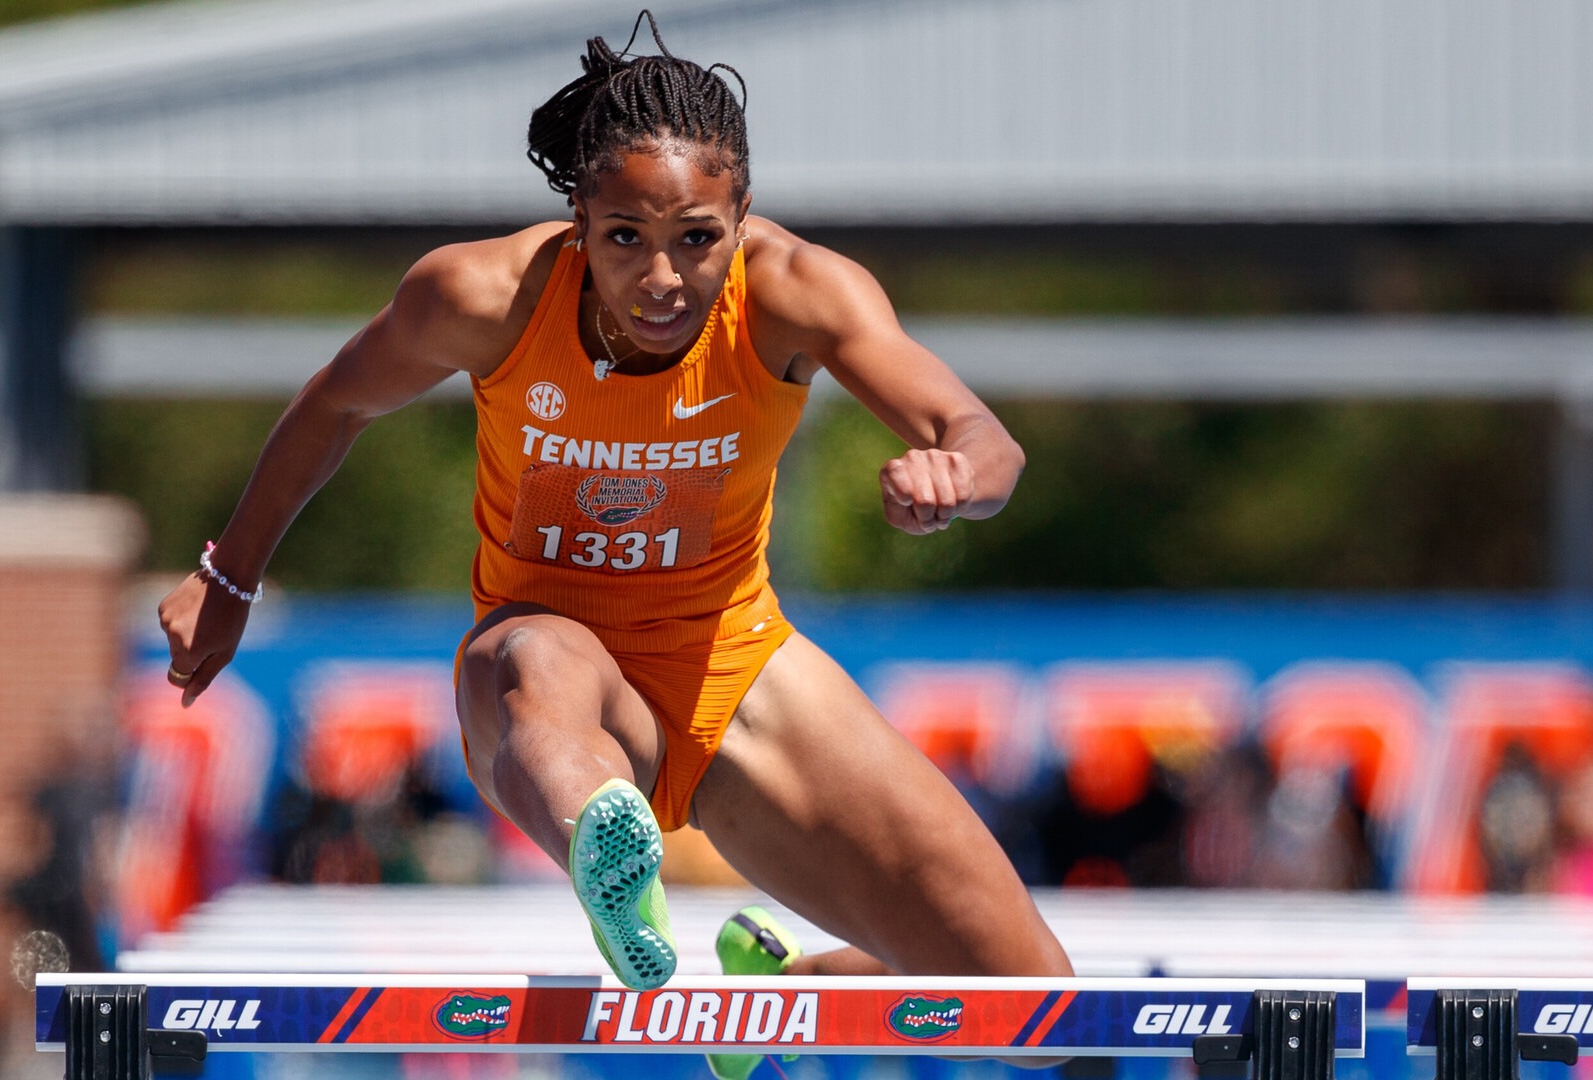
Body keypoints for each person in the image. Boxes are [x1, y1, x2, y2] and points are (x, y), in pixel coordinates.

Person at [158, 13, 1072, 1073]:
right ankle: (611, 840)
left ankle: (781, 992)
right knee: (541, 661)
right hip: (543, 673)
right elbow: (334, 405)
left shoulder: (797, 294)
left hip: (732, 668)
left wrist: (955, 478)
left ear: (742, 219)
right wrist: (230, 575)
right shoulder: (484, 297)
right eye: (624, 241)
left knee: (1032, 1015)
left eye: (697, 239)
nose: (663, 281)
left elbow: (983, 439)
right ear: (578, 220)